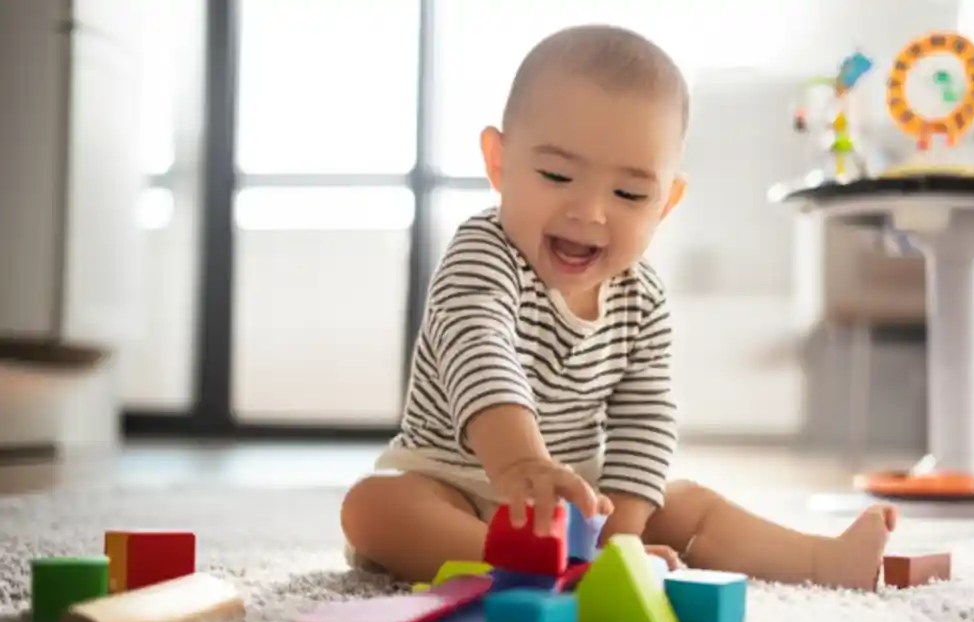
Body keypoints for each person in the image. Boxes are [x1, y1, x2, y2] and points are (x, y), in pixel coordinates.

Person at [340, 24, 896, 590]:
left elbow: (645, 418)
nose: (590, 212)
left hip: (581, 504)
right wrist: (519, 466)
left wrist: (623, 535)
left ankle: (822, 562)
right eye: (557, 175)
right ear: (499, 162)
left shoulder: (642, 297)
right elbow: (477, 346)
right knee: (374, 507)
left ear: (666, 202)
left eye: (629, 194)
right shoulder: (484, 253)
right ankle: (522, 567)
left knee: (691, 504)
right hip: (455, 486)